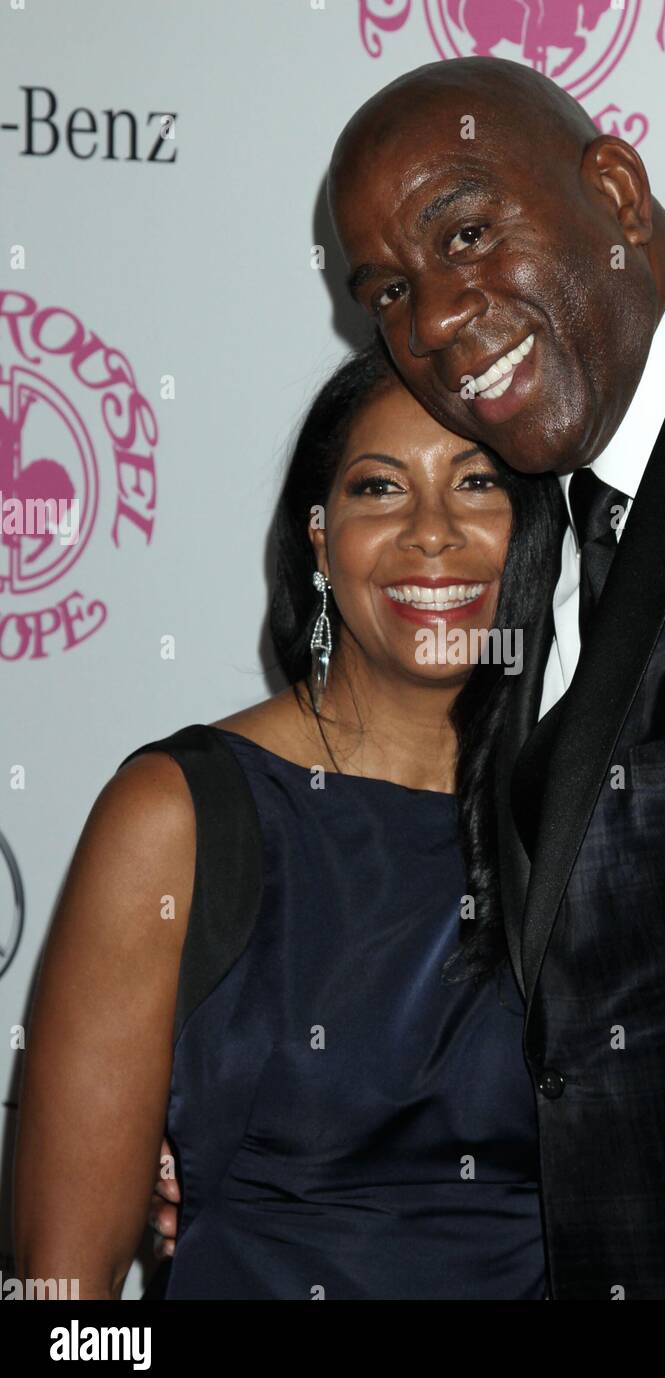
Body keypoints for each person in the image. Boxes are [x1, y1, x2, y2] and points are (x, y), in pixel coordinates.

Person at [144, 53, 665, 1299]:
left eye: (467, 232)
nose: (437, 321)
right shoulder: (542, 502)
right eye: (389, 292)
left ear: (617, 190)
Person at [13, 336, 562, 1300]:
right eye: (379, 489)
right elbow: (67, 1282)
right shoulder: (179, 815)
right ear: (318, 535)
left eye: (477, 484)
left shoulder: (588, 813)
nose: (432, 532)